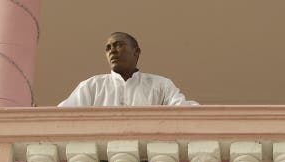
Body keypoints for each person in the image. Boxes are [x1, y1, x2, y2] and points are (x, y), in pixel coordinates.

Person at [58, 32, 198, 107]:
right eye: (108, 48)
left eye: (118, 45)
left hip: (149, 160)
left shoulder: (160, 85)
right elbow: (63, 116)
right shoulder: (91, 86)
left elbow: (182, 110)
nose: (112, 51)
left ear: (136, 52)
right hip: (101, 161)